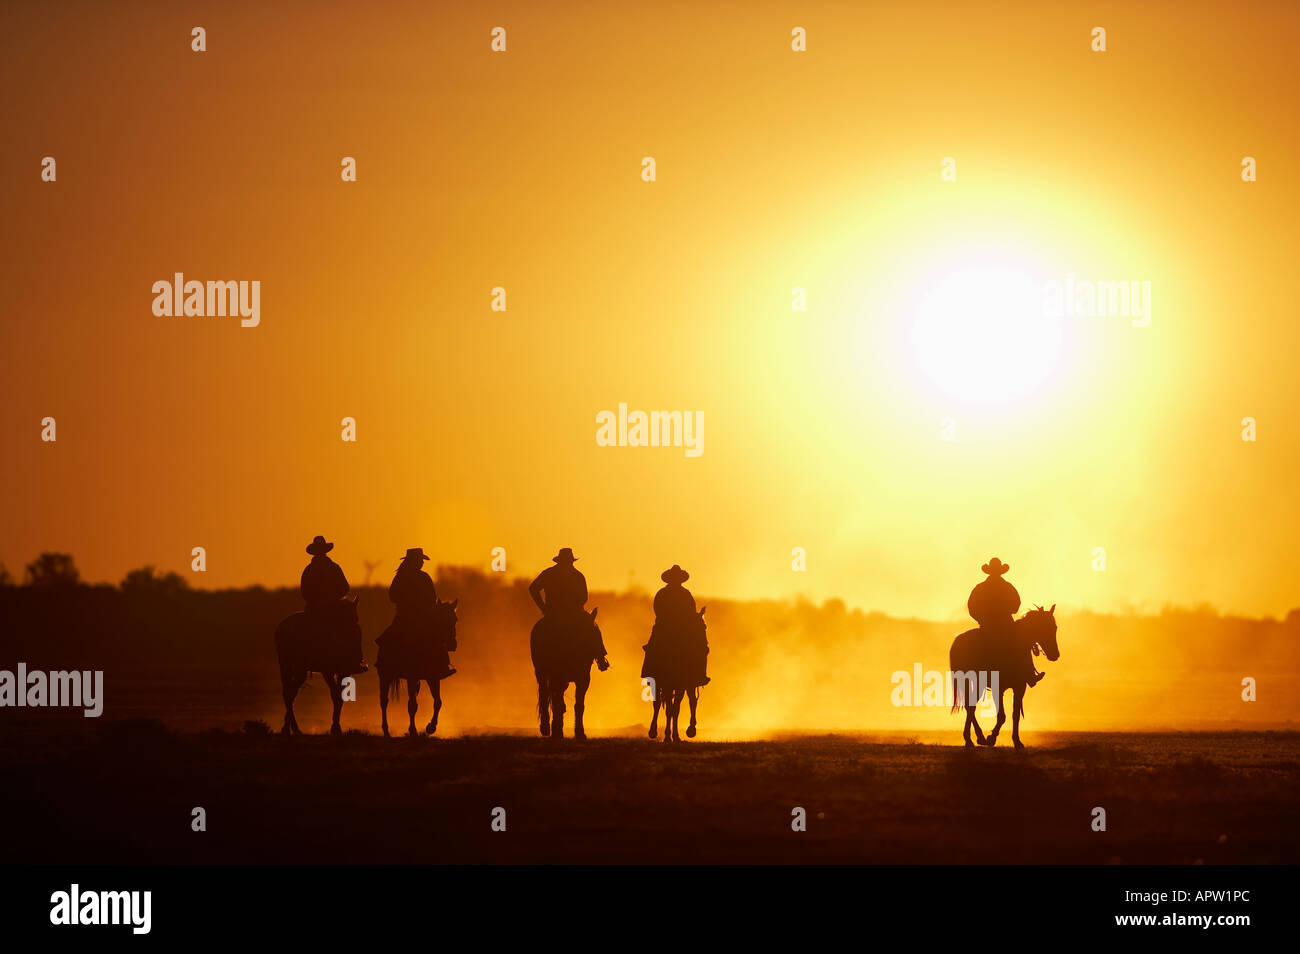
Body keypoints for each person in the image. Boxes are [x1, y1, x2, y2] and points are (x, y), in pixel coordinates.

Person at [529, 548, 608, 670]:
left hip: (552, 614)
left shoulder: (548, 573)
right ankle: (600, 658)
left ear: (559, 561)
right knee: (593, 628)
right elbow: (584, 598)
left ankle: (540, 667)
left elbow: (533, 589)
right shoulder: (578, 575)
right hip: (574, 614)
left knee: (538, 633)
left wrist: (543, 608)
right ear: (571, 561)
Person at [968, 557, 1042, 686]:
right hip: (1006, 625)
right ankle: (1030, 675)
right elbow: (1016, 606)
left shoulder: (980, 588)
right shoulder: (1008, 587)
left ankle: (976, 676)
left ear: (989, 572)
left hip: (986, 626)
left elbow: (972, 607)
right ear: (1000, 572)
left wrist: (981, 619)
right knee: (1022, 645)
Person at [301, 535, 364, 673]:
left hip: (313, 610)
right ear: (325, 551)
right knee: (354, 629)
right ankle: (356, 660)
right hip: (333, 609)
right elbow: (345, 588)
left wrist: (316, 600)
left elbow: (304, 592)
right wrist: (332, 597)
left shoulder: (308, 570)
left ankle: (303, 657)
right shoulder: (334, 567)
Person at [644, 564, 709, 687]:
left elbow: (657, 609)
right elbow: (690, 612)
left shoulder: (663, 593)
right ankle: (699, 675)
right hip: (676, 629)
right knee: (701, 649)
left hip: (664, 628)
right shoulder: (684, 594)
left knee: (651, 648)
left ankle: (649, 673)